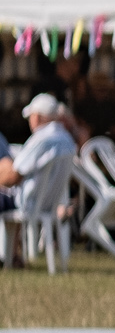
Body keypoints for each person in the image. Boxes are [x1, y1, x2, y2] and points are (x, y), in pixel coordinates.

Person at [0, 94, 78, 247]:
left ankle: (8, 253)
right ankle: (12, 253)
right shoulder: (66, 139)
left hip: (28, 202)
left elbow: (13, 176)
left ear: (37, 117)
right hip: (47, 204)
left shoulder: (42, 139)